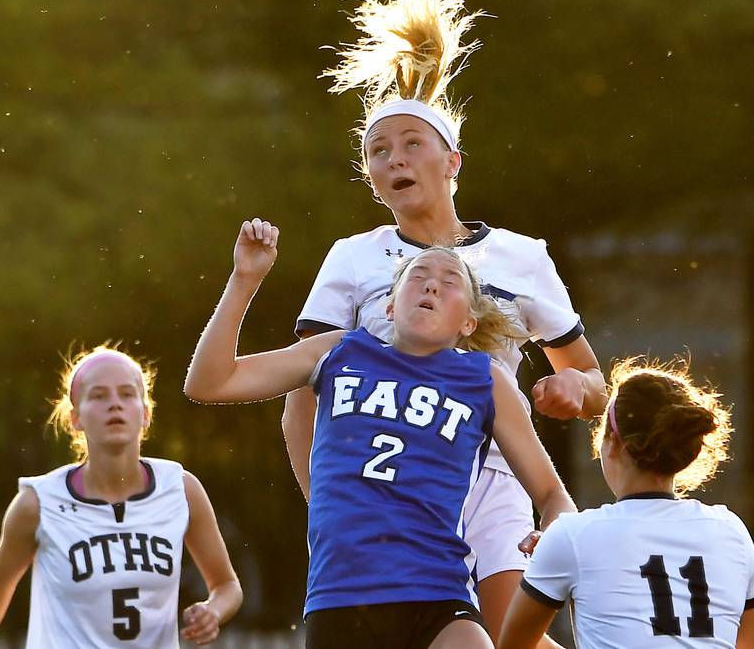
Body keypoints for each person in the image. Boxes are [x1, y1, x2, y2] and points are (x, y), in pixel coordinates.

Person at [281, 0, 607, 644]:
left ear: (452, 161)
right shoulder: (353, 258)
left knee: (507, 631)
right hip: (382, 486)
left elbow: (593, 382)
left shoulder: (521, 256)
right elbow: (302, 399)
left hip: (489, 472)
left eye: (409, 144)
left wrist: (575, 391)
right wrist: (331, 506)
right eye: (377, 152)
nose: (393, 159)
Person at [185, 218, 576, 649]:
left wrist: (551, 534)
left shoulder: (485, 378)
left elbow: (552, 495)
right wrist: (244, 280)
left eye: (450, 282)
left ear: (468, 321)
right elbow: (209, 382)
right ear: (389, 306)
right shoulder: (339, 350)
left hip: (439, 593)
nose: (431, 286)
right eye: (417, 276)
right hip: (343, 597)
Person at [0, 345, 242, 649]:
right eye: (98, 396)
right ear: (75, 418)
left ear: (145, 413)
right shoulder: (38, 504)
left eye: (127, 394)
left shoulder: (181, 489)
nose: (115, 405)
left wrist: (212, 611)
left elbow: (227, 586)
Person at [497, 358, 754, 649]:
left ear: (612, 443)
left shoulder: (573, 535)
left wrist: (551, 554)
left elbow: (512, 645)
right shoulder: (731, 530)